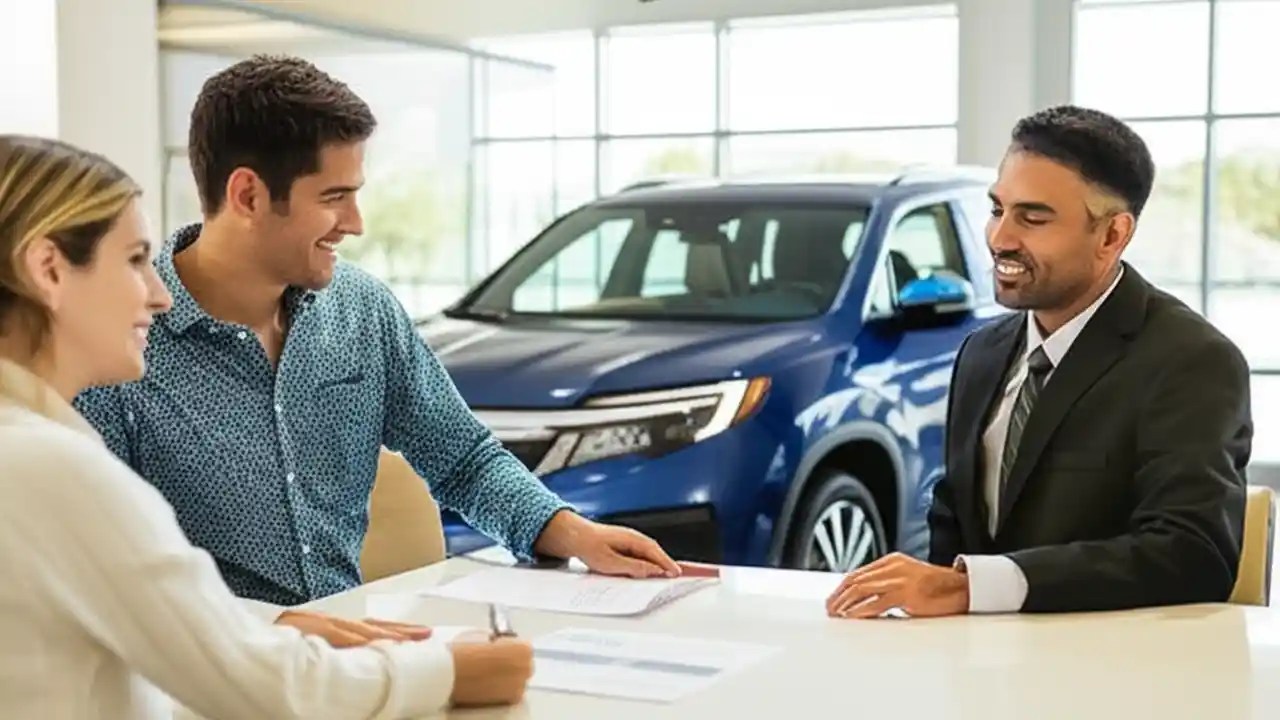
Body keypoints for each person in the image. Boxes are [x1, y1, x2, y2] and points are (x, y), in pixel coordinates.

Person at [73, 54, 680, 631]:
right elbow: (110, 575)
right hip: (209, 675)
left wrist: (570, 531)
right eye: (334, 198)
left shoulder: (362, 311)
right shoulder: (121, 347)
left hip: (352, 662)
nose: (357, 223)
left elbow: (462, 458)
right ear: (249, 196)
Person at [0, 134, 534, 718]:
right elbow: (258, 687)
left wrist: (266, 621)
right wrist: (449, 670)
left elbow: (152, 610)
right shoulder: (53, 470)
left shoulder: (35, 451)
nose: (156, 295)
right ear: (48, 269)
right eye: (132, 261)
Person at [826, 105, 1252, 618]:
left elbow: (1192, 554)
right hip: (976, 668)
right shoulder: (981, 353)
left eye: (1032, 217)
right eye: (997, 209)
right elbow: (953, 524)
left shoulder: (1192, 362)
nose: (1000, 238)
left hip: (1113, 677)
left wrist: (973, 588)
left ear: (1112, 235)